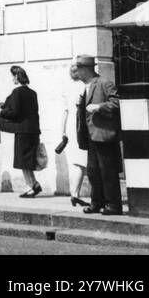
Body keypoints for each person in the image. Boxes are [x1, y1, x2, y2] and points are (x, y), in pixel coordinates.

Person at [70, 55, 123, 215]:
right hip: (91, 136)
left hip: (104, 135)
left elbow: (117, 102)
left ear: (85, 69)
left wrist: (99, 107)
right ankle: (97, 203)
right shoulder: (85, 87)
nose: (76, 72)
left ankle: (113, 205)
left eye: (78, 69)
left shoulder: (104, 83)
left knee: (108, 171)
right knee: (93, 171)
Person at [0, 65, 42, 197]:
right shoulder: (33, 93)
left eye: (13, 76)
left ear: (17, 76)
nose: (12, 79)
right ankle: (34, 184)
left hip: (23, 130)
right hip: (33, 130)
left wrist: (2, 112)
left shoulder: (17, 92)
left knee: (23, 161)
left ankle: (31, 186)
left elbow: (15, 113)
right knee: (28, 161)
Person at [55, 77, 89, 206]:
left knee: (76, 163)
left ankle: (75, 194)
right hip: (81, 127)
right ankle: (75, 195)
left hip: (70, 126)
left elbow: (65, 112)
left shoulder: (67, 87)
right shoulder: (84, 86)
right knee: (81, 162)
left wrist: (63, 132)